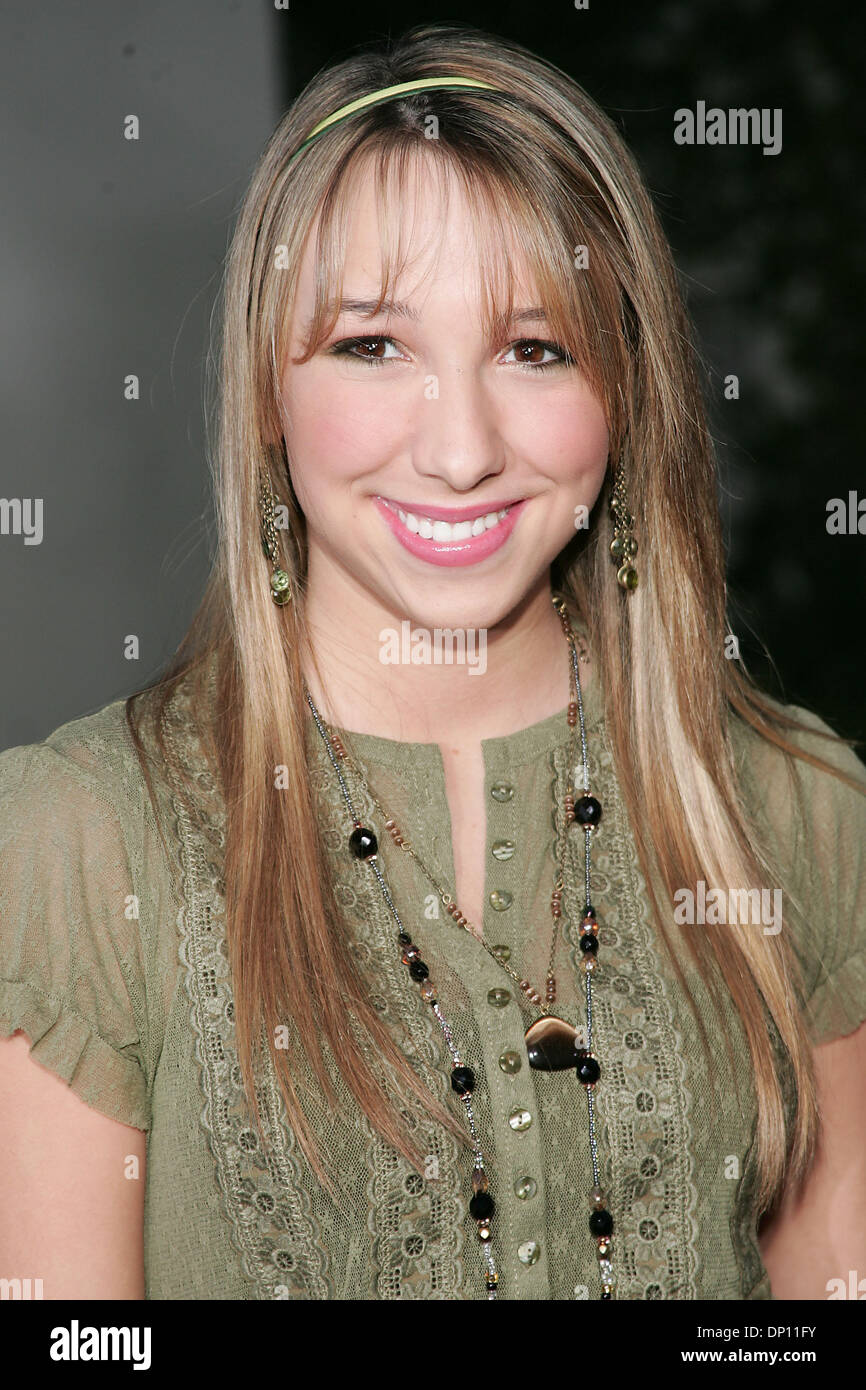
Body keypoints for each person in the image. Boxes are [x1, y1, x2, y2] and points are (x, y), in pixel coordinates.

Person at [1, 22, 864, 1302]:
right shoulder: (73, 843)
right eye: (372, 345)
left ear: (623, 390)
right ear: (266, 388)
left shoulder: (796, 809)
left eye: (534, 348)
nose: (458, 447)